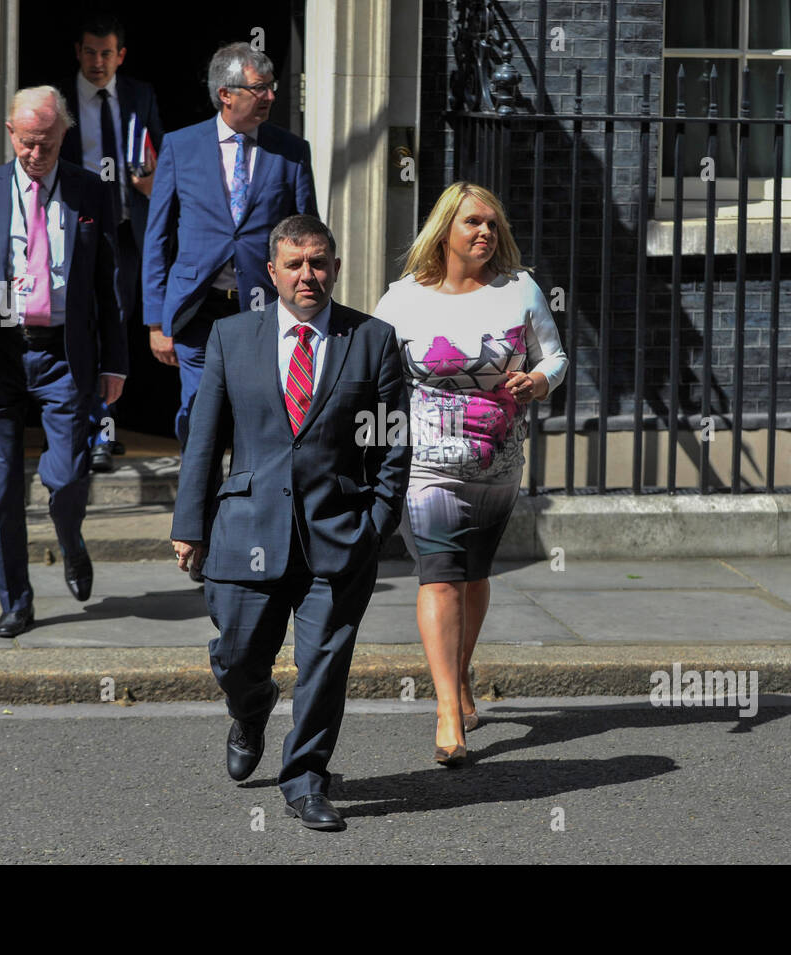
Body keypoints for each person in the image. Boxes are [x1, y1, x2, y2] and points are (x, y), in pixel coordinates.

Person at [170, 215, 410, 831]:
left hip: (338, 533)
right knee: (237, 655)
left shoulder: (374, 339)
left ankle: (304, 779)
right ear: (272, 271)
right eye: (296, 264)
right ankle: (250, 710)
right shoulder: (231, 336)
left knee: (325, 663)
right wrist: (189, 524)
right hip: (246, 527)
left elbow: (389, 443)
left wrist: (377, 523)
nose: (309, 275)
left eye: (320, 262)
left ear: (335, 266)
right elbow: (205, 440)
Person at [373, 182, 567, 765]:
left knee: (474, 573)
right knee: (438, 575)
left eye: (491, 223)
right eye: (471, 223)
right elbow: (371, 366)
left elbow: (553, 356)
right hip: (425, 462)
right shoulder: (403, 298)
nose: (484, 232)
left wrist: (537, 382)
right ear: (444, 231)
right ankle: (447, 712)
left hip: (497, 460)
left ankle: (459, 675)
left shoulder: (519, 290)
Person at [0, 86, 127, 638]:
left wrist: (115, 363)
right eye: (25, 142)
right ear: (10, 133)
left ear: (62, 135)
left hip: (63, 356)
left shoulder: (91, 192)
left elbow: (109, 287)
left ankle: (70, 538)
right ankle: (16, 601)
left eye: (44, 143)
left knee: (65, 477)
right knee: (0, 490)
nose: (33, 153)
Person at [143, 41, 318, 446]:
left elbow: (308, 236)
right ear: (226, 93)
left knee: (257, 419)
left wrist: (309, 309)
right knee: (199, 417)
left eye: (271, 86)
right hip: (196, 308)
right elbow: (158, 237)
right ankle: (199, 506)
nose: (270, 96)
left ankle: (244, 507)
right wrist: (156, 322)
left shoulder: (291, 151)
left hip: (262, 309)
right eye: (259, 88)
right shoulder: (180, 146)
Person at [60, 14, 164, 472]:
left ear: (120, 55)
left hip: (125, 230)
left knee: (116, 324)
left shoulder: (141, 95)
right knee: (76, 323)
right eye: (90, 52)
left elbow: (163, 163)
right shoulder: (60, 99)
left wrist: (152, 183)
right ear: (77, 52)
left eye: (107, 53)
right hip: (73, 229)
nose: (98, 62)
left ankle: (104, 429)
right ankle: (72, 425)